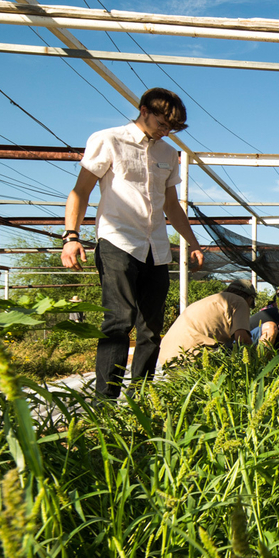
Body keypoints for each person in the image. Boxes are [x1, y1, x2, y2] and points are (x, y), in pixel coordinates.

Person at [62, 88, 205, 399]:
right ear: (144, 111)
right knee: (119, 318)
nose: (166, 131)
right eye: (162, 124)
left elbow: (171, 204)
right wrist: (71, 236)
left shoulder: (168, 154)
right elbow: (81, 191)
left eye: (172, 128)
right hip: (118, 240)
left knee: (151, 327)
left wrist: (192, 241)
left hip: (156, 247)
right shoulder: (108, 139)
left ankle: (141, 397)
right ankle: (106, 403)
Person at [157, 278, 256, 369]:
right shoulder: (240, 301)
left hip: (166, 358)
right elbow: (243, 339)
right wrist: (258, 361)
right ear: (250, 298)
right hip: (192, 358)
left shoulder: (212, 300)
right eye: (251, 305)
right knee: (234, 353)